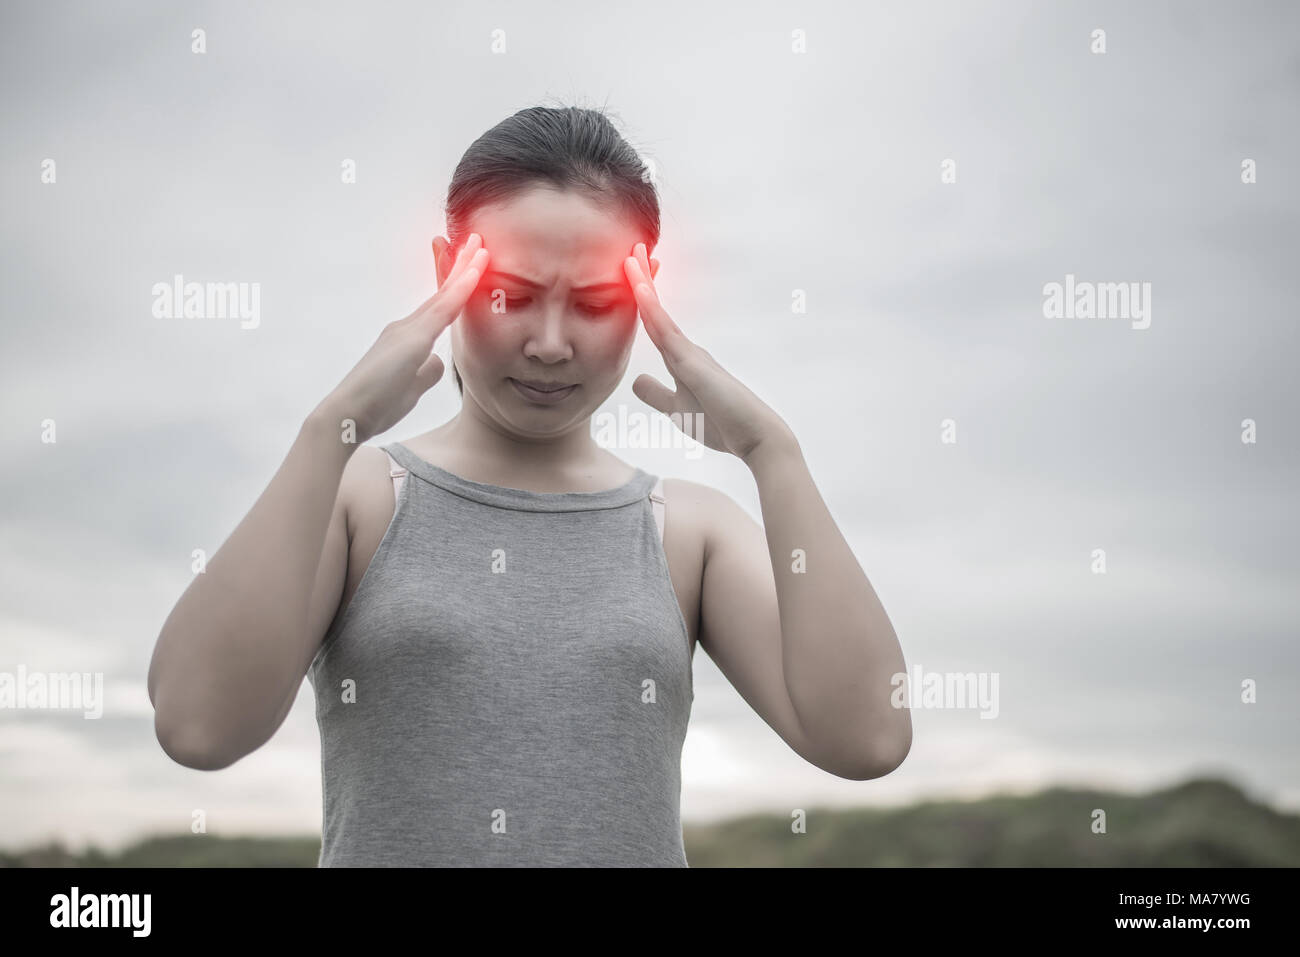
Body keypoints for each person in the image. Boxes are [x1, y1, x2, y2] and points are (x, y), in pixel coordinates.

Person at [147, 104, 911, 867]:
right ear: (450, 272)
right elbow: (198, 726)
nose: (550, 344)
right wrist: (330, 430)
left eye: (595, 302)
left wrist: (774, 453)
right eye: (511, 294)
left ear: (647, 291)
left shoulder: (685, 531)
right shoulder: (361, 498)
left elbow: (869, 738)